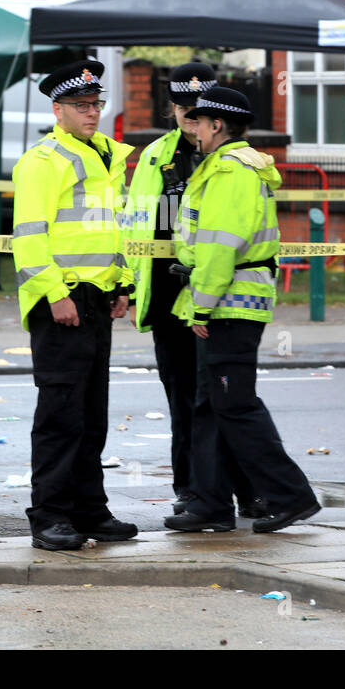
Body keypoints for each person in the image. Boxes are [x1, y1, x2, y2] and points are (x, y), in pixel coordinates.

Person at [162, 86, 320, 534]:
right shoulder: (224, 166)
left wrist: (203, 308)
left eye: (199, 122)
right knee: (210, 406)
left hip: (228, 305)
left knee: (236, 405)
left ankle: (291, 496)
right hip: (225, 302)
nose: (192, 130)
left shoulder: (230, 172)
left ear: (218, 126)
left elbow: (219, 247)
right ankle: (210, 503)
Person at [11, 58, 139, 551]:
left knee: (91, 413)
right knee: (61, 414)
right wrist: (55, 293)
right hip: (60, 299)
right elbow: (28, 236)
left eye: (96, 104)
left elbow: (113, 227)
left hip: (98, 297)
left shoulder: (106, 156)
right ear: (57, 108)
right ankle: (49, 516)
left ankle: (89, 510)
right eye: (81, 106)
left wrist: (123, 282)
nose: (92, 113)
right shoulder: (44, 161)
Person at [125, 62, 262, 518]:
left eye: (197, 108)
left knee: (220, 400)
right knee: (184, 400)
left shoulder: (228, 154)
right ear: (172, 107)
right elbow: (134, 222)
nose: (189, 115)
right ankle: (194, 490)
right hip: (167, 292)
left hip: (213, 292)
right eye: (183, 106)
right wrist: (127, 283)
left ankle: (238, 492)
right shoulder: (153, 156)